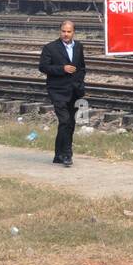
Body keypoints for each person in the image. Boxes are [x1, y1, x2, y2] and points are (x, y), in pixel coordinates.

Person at [38, 20, 87, 168]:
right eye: (63, 31)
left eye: (69, 31)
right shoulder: (50, 48)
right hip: (57, 90)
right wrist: (62, 68)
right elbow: (43, 67)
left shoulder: (78, 47)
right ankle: (67, 154)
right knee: (65, 121)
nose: (66, 34)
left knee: (69, 123)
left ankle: (58, 155)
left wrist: (80, 83)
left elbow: (82, 67)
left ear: (73, 32)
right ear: (60, 31)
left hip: (74, 91)